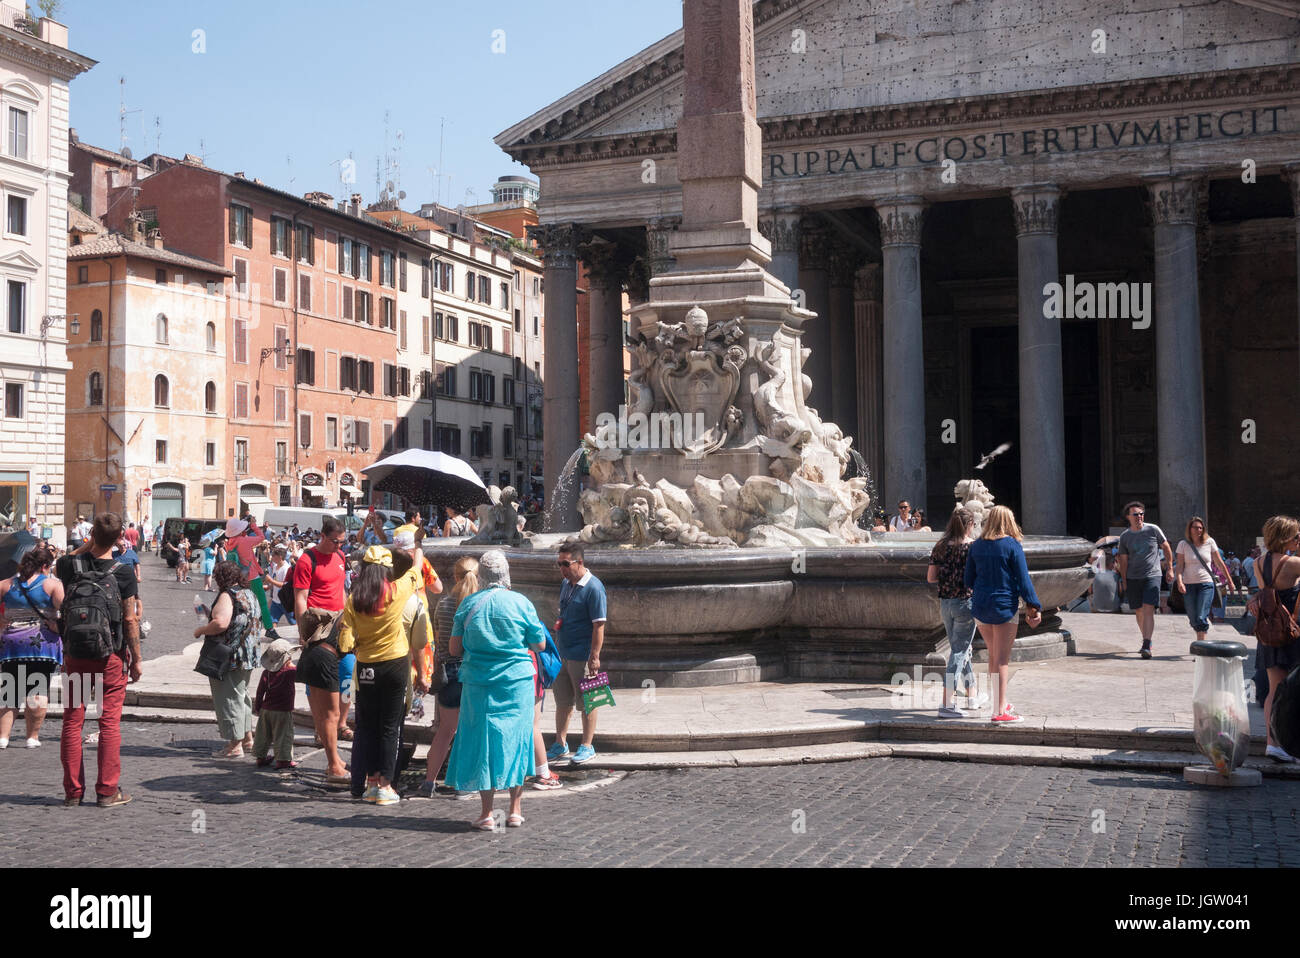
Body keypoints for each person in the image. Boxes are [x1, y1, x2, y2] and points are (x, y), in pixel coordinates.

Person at [444, 550, 549, 830]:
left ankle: (487, 813)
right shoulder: (522, 603)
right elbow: (539, 645)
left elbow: (454, 648)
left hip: (479, 685)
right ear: (506, 574)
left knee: (483, 743)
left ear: (482, 576)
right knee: (517, 741)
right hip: (517, 683)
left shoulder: (468, 605)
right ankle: (514, 810)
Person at [57, 512, 142, 807]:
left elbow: (70, 555)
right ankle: (107, 791)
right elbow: (130, 619)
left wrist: (88, 543)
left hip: (76, 656)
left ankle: (73, 792)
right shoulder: (123, 571)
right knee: (109, 723)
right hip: (111, 656)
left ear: (91, 533)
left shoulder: (69, 565)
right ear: (120, 537)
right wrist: (138, 660)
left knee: (73, 720)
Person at [339, 546, 422, 805]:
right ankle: (386, 786)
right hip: (395, 665)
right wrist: (418, 550)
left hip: (366, 667)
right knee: (389, 728)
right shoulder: (396, 592)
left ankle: (372, 783)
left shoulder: (354, 599)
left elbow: (345, 640)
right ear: (387, 570)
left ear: (363, 569)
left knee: (369, 727)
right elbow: (416, 571)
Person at [964, 505, 1043, 723]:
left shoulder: (977, 545)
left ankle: (1000, 701)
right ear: (1009, 521)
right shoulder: (1011, 545)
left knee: (993, 655)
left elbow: (968, 579)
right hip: (1004, 606)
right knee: (1002, 659)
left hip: (980, 606)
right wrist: (1034, 606)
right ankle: (999, 711)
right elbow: (1023, 579)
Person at [414, 556, 478, 799]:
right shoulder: (478, 604)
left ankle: (429, 782)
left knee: (445, 730)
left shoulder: (444, 603)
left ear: (454, 576)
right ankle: (464, 784)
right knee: (469, 731)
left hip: (448, 673)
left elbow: (439, 638)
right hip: (472, 673)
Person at [293, 515, 350, 785]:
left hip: (341, 628)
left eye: (343, 541)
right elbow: (301, 598)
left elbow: (343, 591)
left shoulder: (341, 557)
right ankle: (330, 752)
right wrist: (303, 633)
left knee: (347, 686)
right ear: (323, 536)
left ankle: (337, 735)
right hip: (319, 630)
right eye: (335, 541)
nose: (339, 546)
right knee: (323, 697)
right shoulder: (308, 560)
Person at [193, 561, 262, 758]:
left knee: (229, 698)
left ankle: (234, 745)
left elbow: (221, 624)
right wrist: (210, 614)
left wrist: (201, 630)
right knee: (241, 696)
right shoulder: (250, 594)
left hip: (229, 656)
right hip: (248, 655)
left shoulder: (227, 595)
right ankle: (248, 739)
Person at [547, 540, 607, 765]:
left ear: (579, 562)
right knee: (563, 701)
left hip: (582, 655)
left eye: (565, 563)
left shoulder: (594, 587)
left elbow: (599, 625)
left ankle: (587, 745)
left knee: (588, 702)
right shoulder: (567, 584)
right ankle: (560, 743)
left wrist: (595, 656)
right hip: (562, 652)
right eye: (559, 564)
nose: (561, 568)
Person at [0, 543, 64, 748]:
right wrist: (56, 625)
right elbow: (66, 611)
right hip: (42, 646)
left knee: (9, 692)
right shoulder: (53, 585)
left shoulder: (5, 584)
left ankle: (3, 737)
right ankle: (32, 737)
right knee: (37, 690)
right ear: (45, 566)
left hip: (11, 645)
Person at [928, 508, 983, 718]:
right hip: (965, 603)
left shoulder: (940, 546)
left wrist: (947, 574)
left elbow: (930, 577)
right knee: (959, 653)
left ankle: (972, 696)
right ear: (970, 525)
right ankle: (946, 704)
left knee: (961, 649)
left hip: (946, 604)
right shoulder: (972, 547)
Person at [1253, 516, 1300, 763]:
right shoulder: (1292, 563)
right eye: (1295, 535)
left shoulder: (1258, 563)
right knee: (1294, 689)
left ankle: (1273, 744)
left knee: (1273, 690)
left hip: (1268, 632)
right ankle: (1292, 744)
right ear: (1286, 538)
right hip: (1291, 632)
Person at [1116, 501, 1173, 660]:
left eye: (1141, 514)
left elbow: (1166, 547)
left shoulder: (1153, 529)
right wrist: (1124, 579)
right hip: (1133, 577)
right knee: (1139, 611)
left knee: (1148, 608)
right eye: (1135, 514)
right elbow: (1124, 561)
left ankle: (1146, 643)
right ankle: (1146, 638)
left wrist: (1170, 568)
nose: (1139, 517)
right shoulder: (1125, 536)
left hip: (1152, 575)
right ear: (1128, 517)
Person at [1174, 517, 1233, 643]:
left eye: (1201, 528)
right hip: (1188, 585)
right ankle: (1201, 639)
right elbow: (1179, 566)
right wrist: (1179, 581)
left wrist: (1230, 581)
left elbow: (1220, 563)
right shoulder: (1183, 544)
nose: (1198, 530)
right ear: (1189, 529)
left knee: (1201, 617)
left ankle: (1201, 648)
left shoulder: (1210, 542)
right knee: (1193, 618)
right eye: (1195, 527)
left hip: (1206, 584)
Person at [224, 517, 278, 638]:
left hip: (239, 578)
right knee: (262, 603)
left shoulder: (229, 543)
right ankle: (269, 628)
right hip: (252, 576)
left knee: (243, 604)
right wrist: (253, 525)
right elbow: (262, 537)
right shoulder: (245, 541)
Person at [252, 639, 298, 769]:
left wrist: (258, 707)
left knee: (263, 734)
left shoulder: (266, 673)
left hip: (266, 710)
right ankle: (283, 760)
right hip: (283, 711)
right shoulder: (290, 673)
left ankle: (260, 757)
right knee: (283, 734)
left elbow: (260, 691)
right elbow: (301, 673)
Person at [266, 544, 295, 626]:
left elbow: (284, 585)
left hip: (285, 601)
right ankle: (273, 637)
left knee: (294, 623)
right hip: (275, 601)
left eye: (273, 556)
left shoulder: (286, 568)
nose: (271, 557)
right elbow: (275, 581)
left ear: (280, 557)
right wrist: (268, 587)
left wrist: (271, 581)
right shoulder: (275, 566)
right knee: (272, 622)